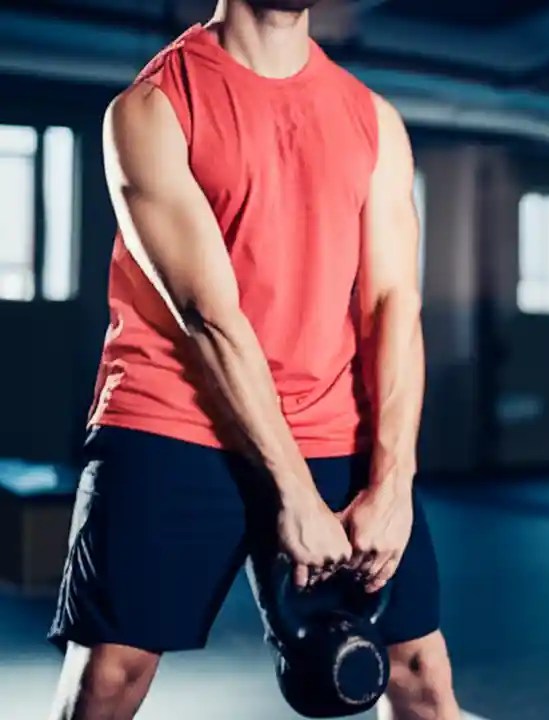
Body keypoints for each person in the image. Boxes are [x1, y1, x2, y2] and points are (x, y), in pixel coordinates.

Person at [45, 2, 461, 718]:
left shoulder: (373, 120)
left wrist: (394, 483)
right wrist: (294, 494)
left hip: (331, 419)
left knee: (419, 670)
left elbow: (394, 301)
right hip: (177, 416)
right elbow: (209, 317)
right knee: (111, 675)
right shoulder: (152, 109)